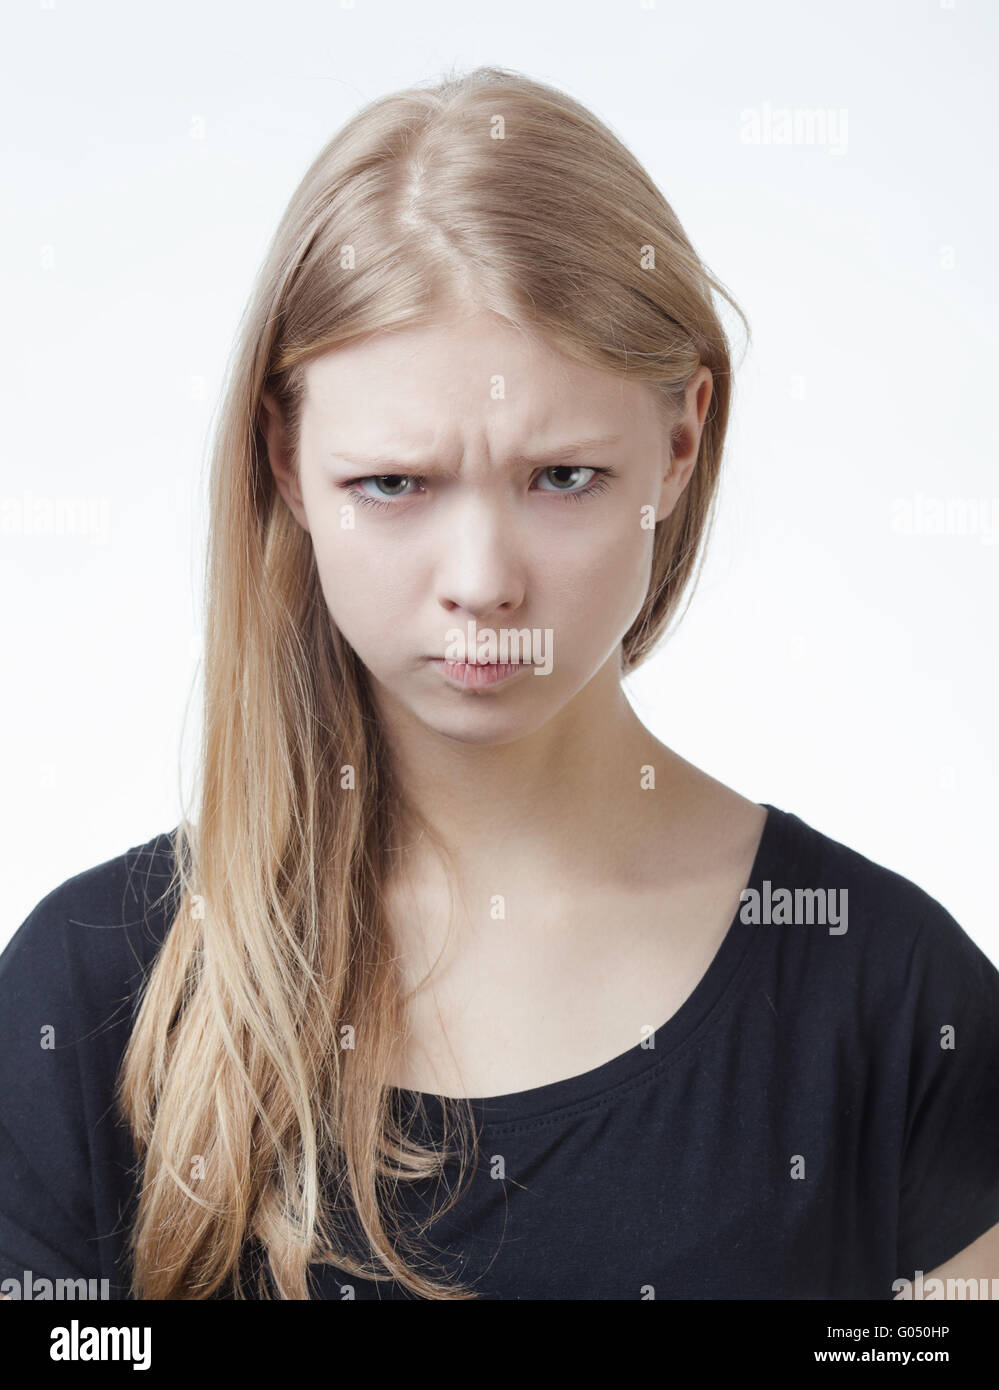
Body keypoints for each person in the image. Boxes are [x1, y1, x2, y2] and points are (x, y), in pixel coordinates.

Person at [1, 64, 997, 1303]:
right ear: (285, 458)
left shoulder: (898, 1007)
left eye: (563, 476)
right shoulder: (91, 995)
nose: (483, 581)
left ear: (680, 442)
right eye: (396, 484)